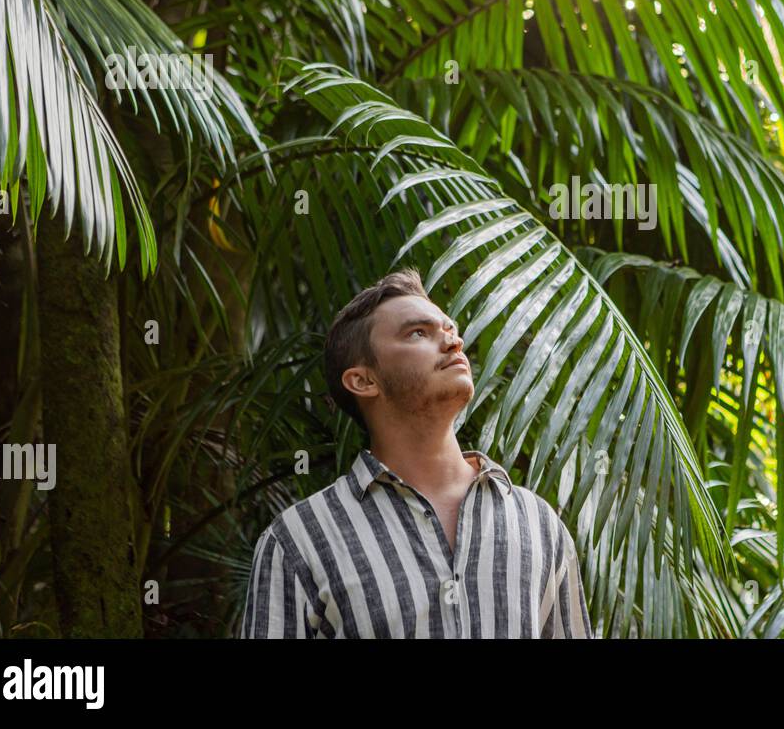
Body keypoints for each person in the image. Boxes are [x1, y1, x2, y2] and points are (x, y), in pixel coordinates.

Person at [239, 268, 593, 638]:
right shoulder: (298, 541)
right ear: (364, 380)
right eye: (418, 333)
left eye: (450, 329)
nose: (453, 342)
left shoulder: (538, 522)